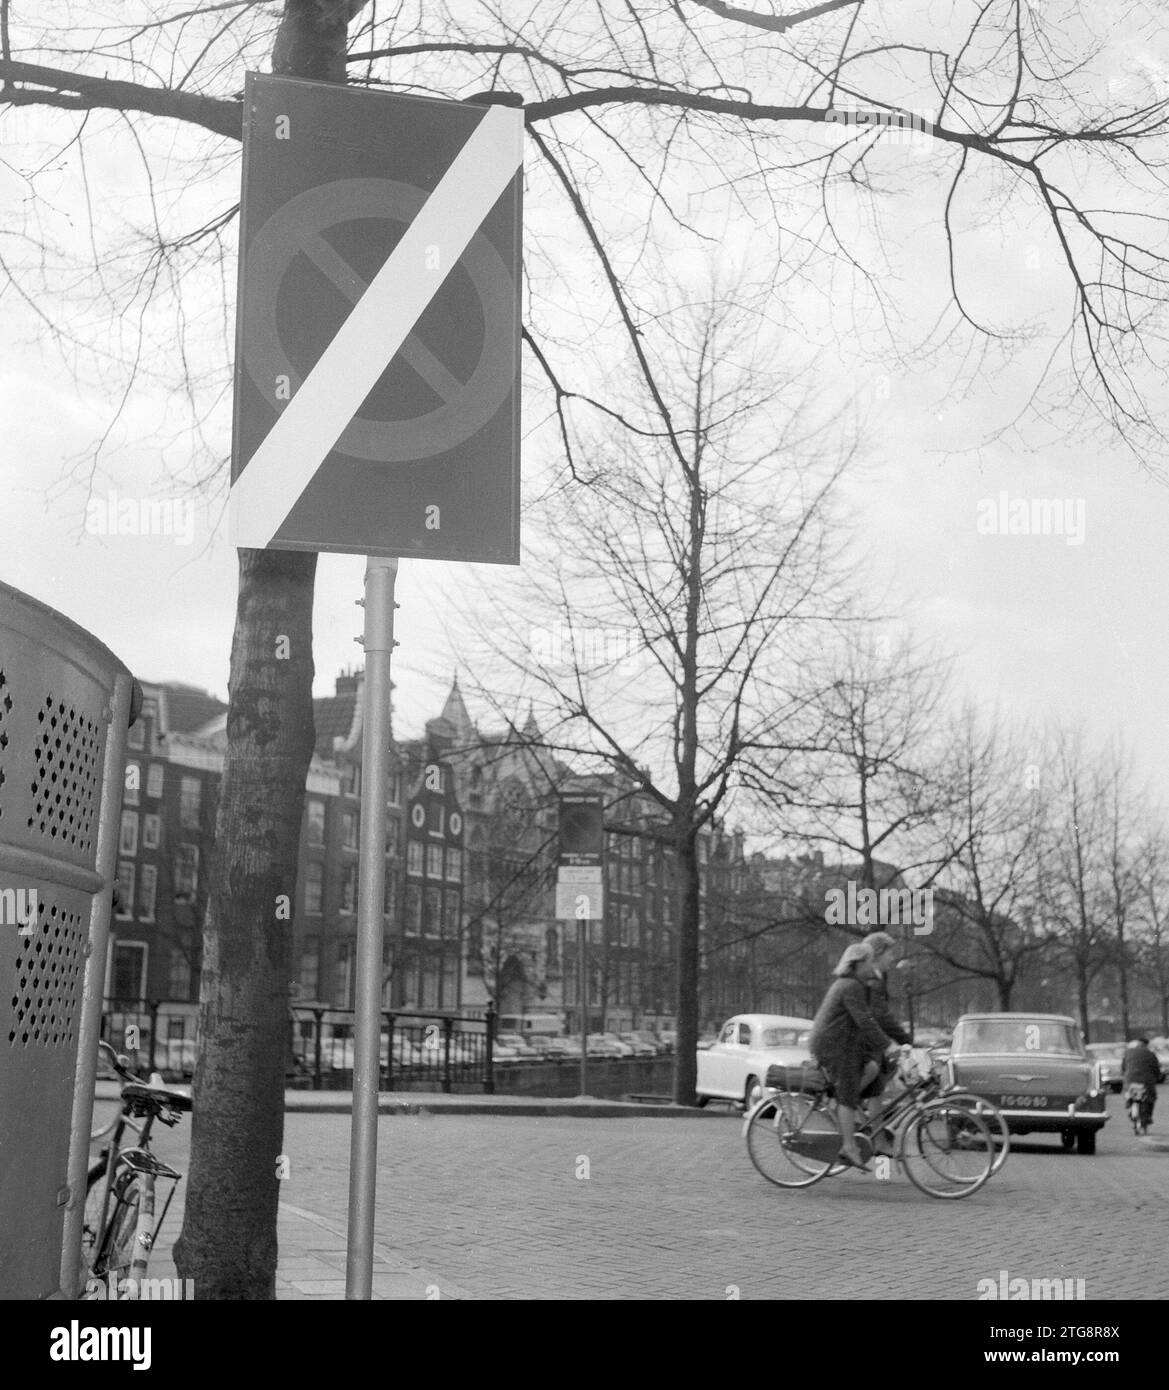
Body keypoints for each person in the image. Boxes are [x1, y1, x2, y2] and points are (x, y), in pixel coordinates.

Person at [808, 942, 900, 1170]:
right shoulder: (849, 986)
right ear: (859, 963)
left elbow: (866, 1020)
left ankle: (846, 1110)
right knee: (848, 1093)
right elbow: (865, 1020)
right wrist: (888, 1045)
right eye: (869, 962)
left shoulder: (855, 984)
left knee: (871, 1069)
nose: (873, 967)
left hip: (845, 1042)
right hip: (834, 1045)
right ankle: (848, 1146)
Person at [860, 932, 913, 1146]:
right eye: (890, 953)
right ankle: (846, 1113)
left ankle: (876, 1137)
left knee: (878, 1087)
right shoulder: (871, 980)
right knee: (874, 1078)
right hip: (859, 1043)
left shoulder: (875, 978)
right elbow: (881, 1016)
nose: (892, 959)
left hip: (868, 1041)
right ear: (878, 953)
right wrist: (905, 1040)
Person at [1122, 1037, 1160, 1134]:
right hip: (1146, 1081)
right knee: (1151, 1097)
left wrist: (1125, 1076)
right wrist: (1157, 1077)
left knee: (1130, 1095)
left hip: (1130, 1079)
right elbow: (1156, 1069)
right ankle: (1147, 1117)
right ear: (1146, 1045)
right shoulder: (1151, 1054)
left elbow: (1123, 1067)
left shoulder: (1128, 1052)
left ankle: (1130, 1106)